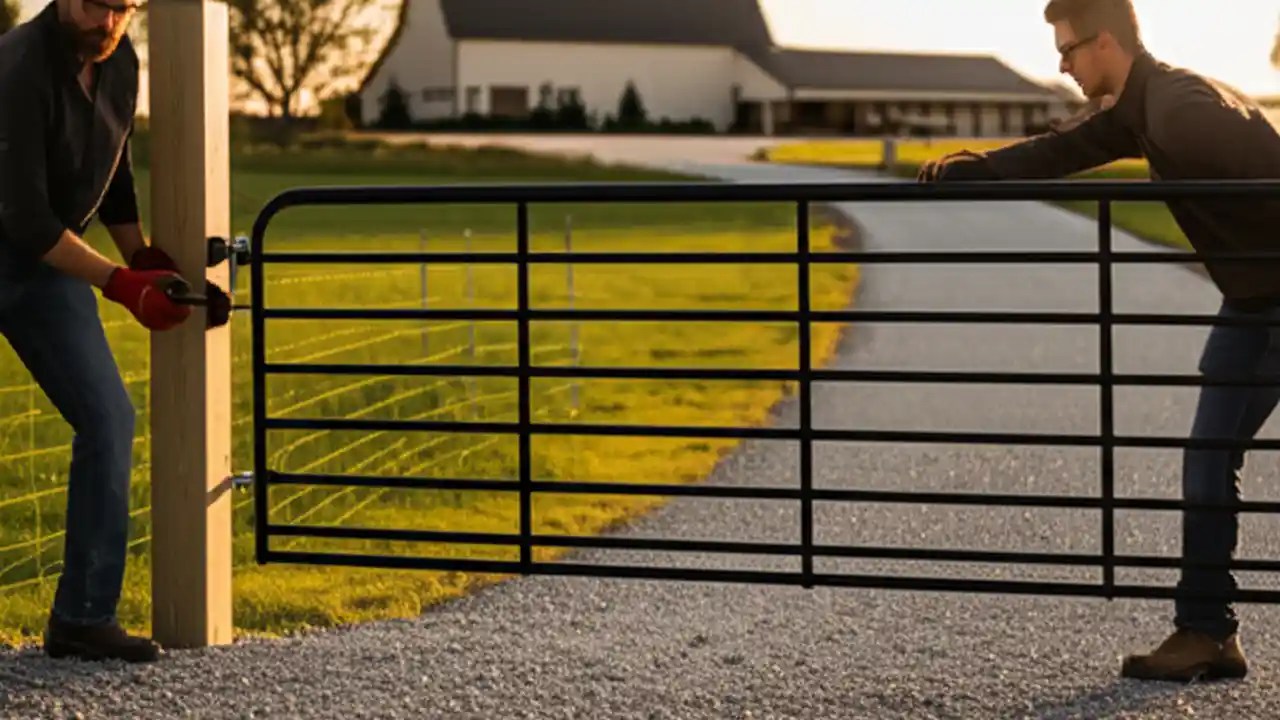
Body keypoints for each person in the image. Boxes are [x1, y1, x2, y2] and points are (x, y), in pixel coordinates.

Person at [917, 0, 1280, 683]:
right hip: (1252, 299)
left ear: (1105, 43)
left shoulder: (1181, 110)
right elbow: (1068, 147)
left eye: (1068, 50)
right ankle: (1209, 631)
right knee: (1209, 454)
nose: (1061, 64)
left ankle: (1206, 628)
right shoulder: (1146, 103)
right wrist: (981, 169)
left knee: (1209, 454)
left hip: (1271, 301)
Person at [0, 0, 196, 663]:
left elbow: (112, 177)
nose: (107, 21)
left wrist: (140, 257)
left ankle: (83, 618)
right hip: (24, 243)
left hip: (48, 271)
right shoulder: (16, 68)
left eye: (123, 8)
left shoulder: (121, 63)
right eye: (94, 4)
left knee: (109, 420)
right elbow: (23, 217)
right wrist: (118, 284)